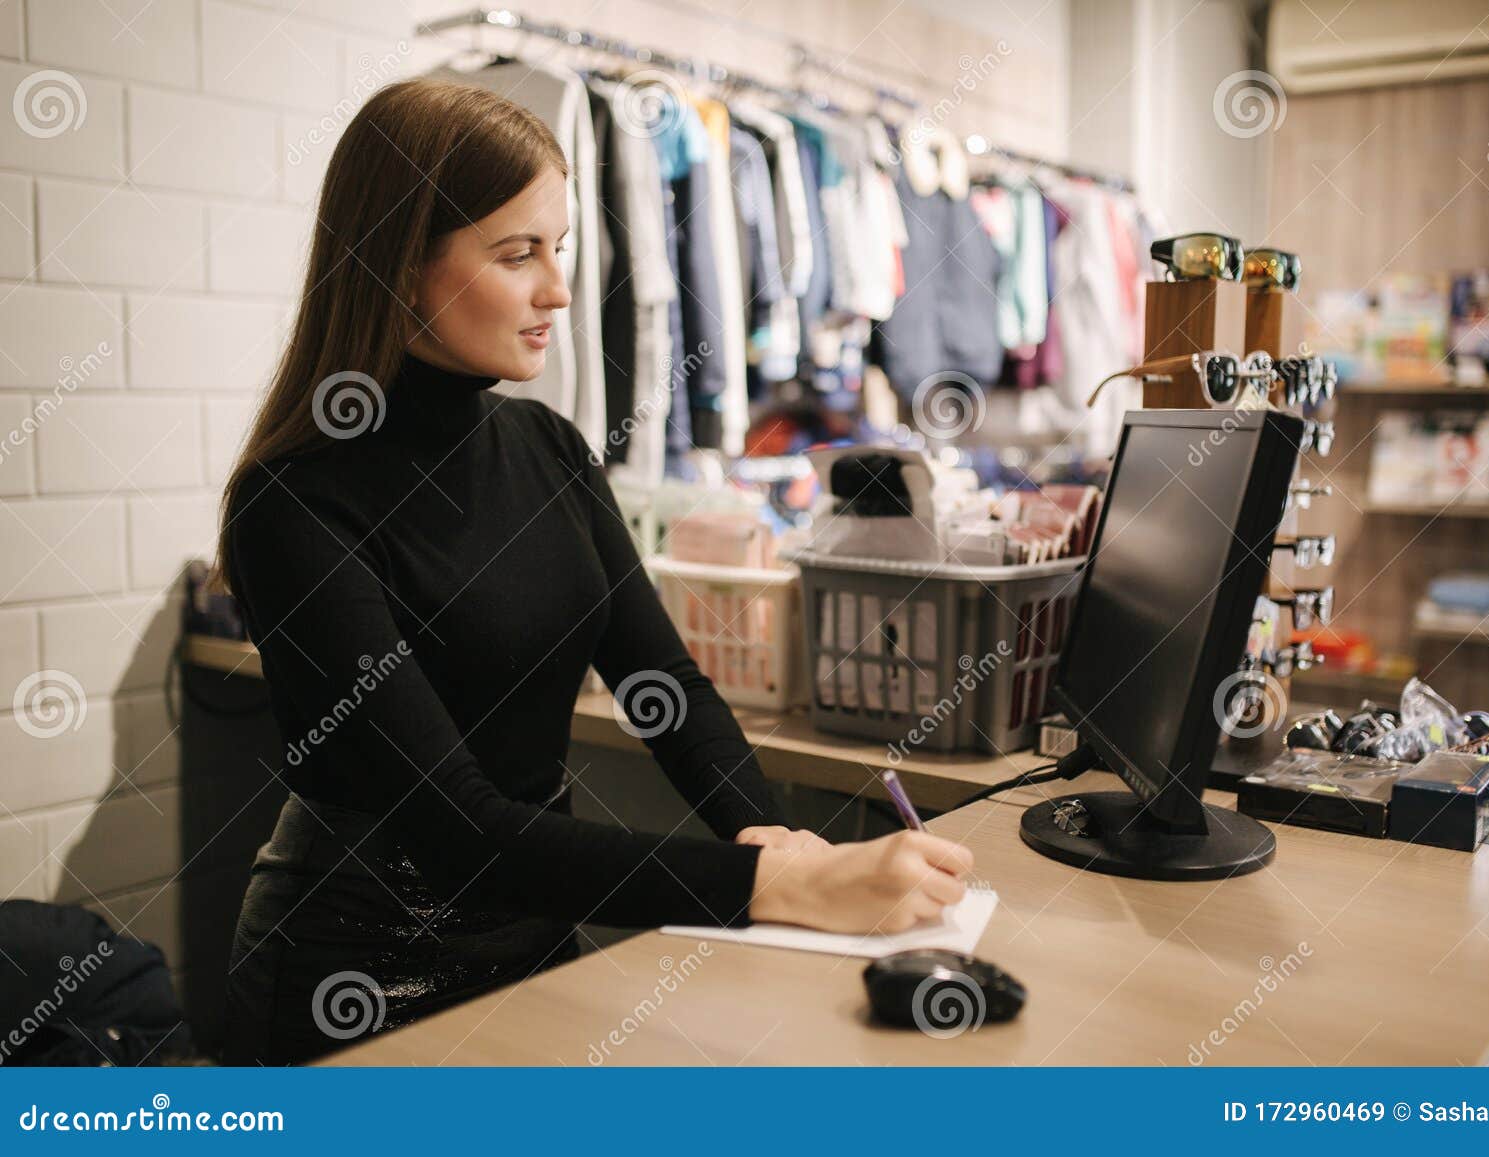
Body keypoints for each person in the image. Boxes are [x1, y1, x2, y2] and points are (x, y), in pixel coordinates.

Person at [208, 79, 974, 1066]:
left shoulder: (548, 446)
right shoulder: (295, 503)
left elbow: (667, 693)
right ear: (400, 263)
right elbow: (460, 831)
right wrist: (767, 888)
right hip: (359, 980)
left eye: (558, 247)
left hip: (532, 936)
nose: (560, 291)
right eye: (516, 252)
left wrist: (785, 845)